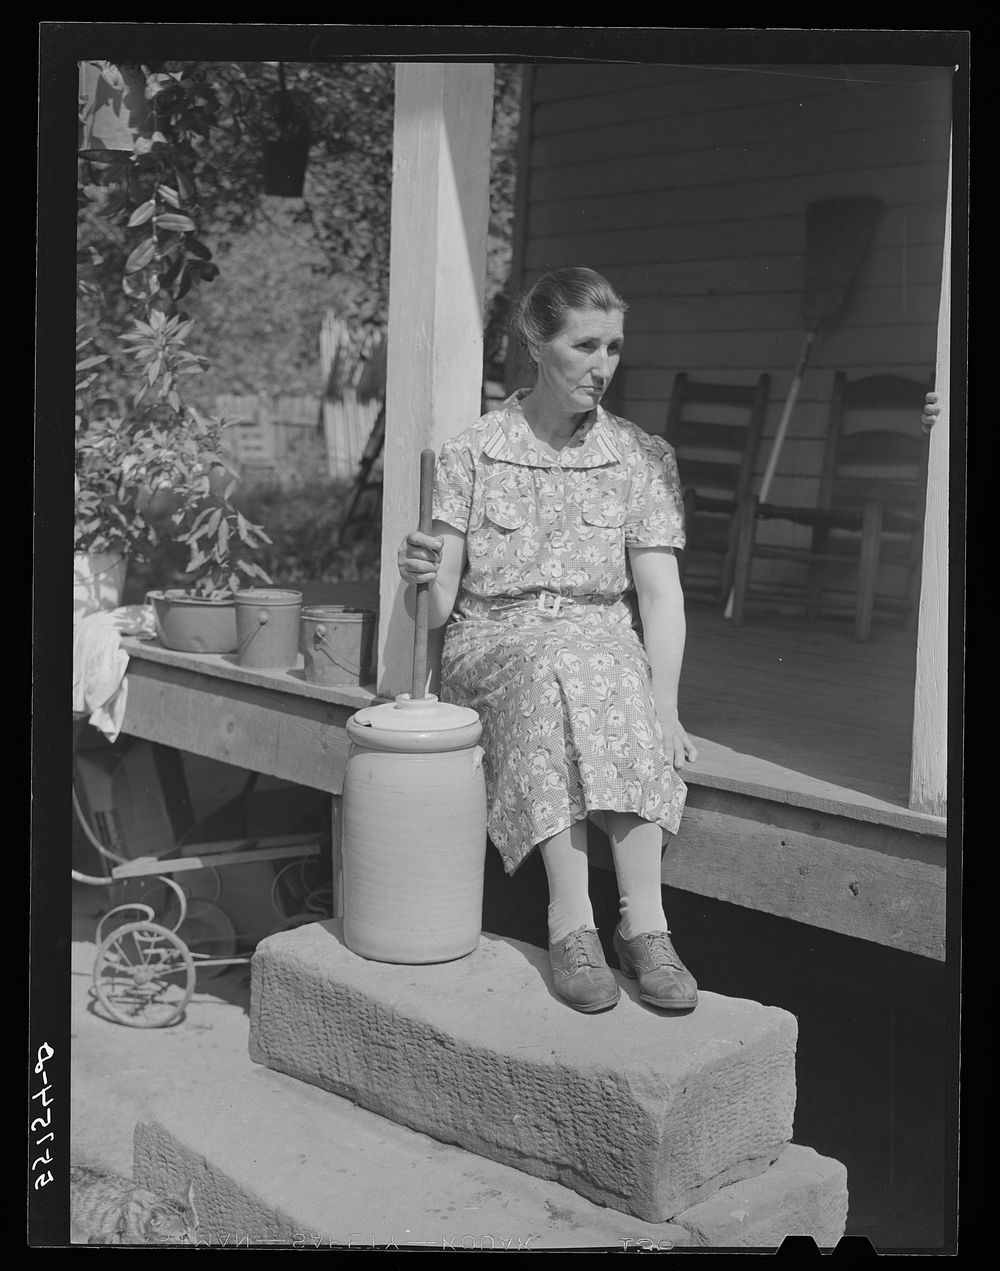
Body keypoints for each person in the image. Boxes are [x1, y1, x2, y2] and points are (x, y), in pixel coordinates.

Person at [397, 266, 698, 1015]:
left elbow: (660, 596)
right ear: (538, 343)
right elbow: (438, 612)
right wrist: (419, 575)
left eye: (615, 348)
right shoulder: (475, 454)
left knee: (605, 663)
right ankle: (572, 922)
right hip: (494, 641)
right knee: (552, 665)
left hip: (598, 643)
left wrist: (666, 706)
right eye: (586, 345)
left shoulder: (640, 457)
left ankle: (646, 925)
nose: (604, 366)